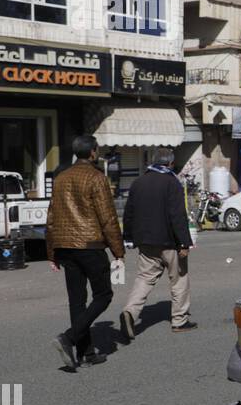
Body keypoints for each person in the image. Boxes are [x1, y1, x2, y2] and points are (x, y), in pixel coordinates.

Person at [46, 135, 125, 369]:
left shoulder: (60, 178)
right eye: (97, 150)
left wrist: (52, 252)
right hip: (89, 245)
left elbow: (51, 216)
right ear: (92, 152)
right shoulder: (96, 177)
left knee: (77, 300)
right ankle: (69, 338)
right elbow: (108, 217)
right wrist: (118, 250)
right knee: (103, 295)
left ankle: (86, 352)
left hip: (65, 246)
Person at [119, 148, 195, 339]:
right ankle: (179, 320)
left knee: (144, 278)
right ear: (169, 163)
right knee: (179, 279)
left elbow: (129, 213)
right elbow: (177, 216)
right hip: (170, 242)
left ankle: (130, 311)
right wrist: (184, 243)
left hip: (145, 241)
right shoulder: (172, 182)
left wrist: (128, 238)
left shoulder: (139, 182)